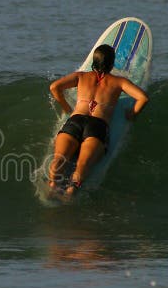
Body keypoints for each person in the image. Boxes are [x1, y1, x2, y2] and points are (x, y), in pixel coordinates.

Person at [48, 44, 149, 197]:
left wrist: (66, 107)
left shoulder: (81, 76)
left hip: (75, 121)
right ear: (112, 63)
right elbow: (143, 98)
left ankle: (53, 185)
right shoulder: (119, 81)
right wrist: (132, 114)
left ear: (93, 61)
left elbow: (54, 87)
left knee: (59, 159)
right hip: (97, 126)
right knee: (82, 165)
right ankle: (71, 191)